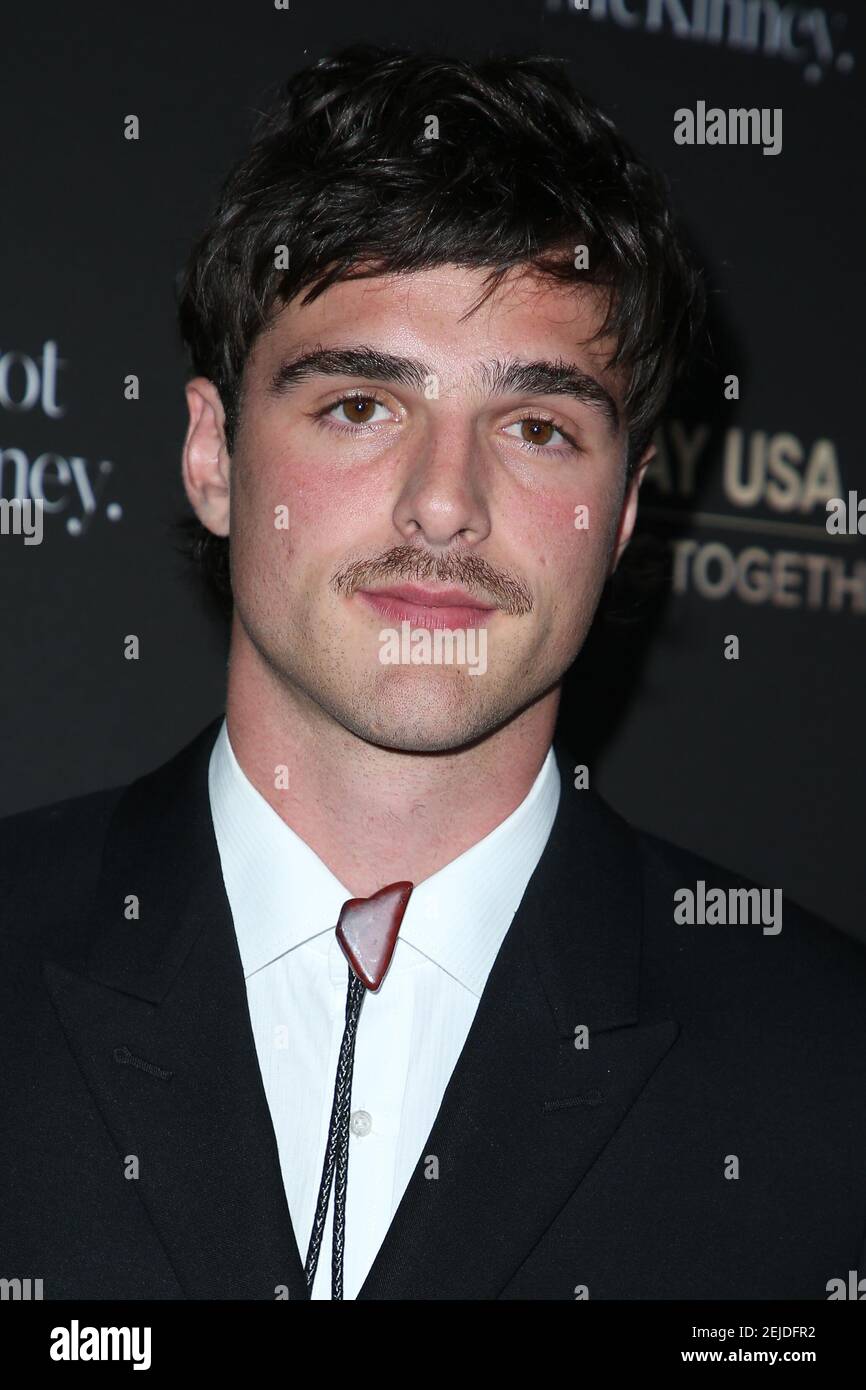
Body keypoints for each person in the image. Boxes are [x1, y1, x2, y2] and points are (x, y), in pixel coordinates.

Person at [2, 44, 865, 1302]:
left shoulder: (828, 1072)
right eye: (360, 404)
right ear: (212, 456)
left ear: (621, 513)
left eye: (536, 426)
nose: (445, 503)